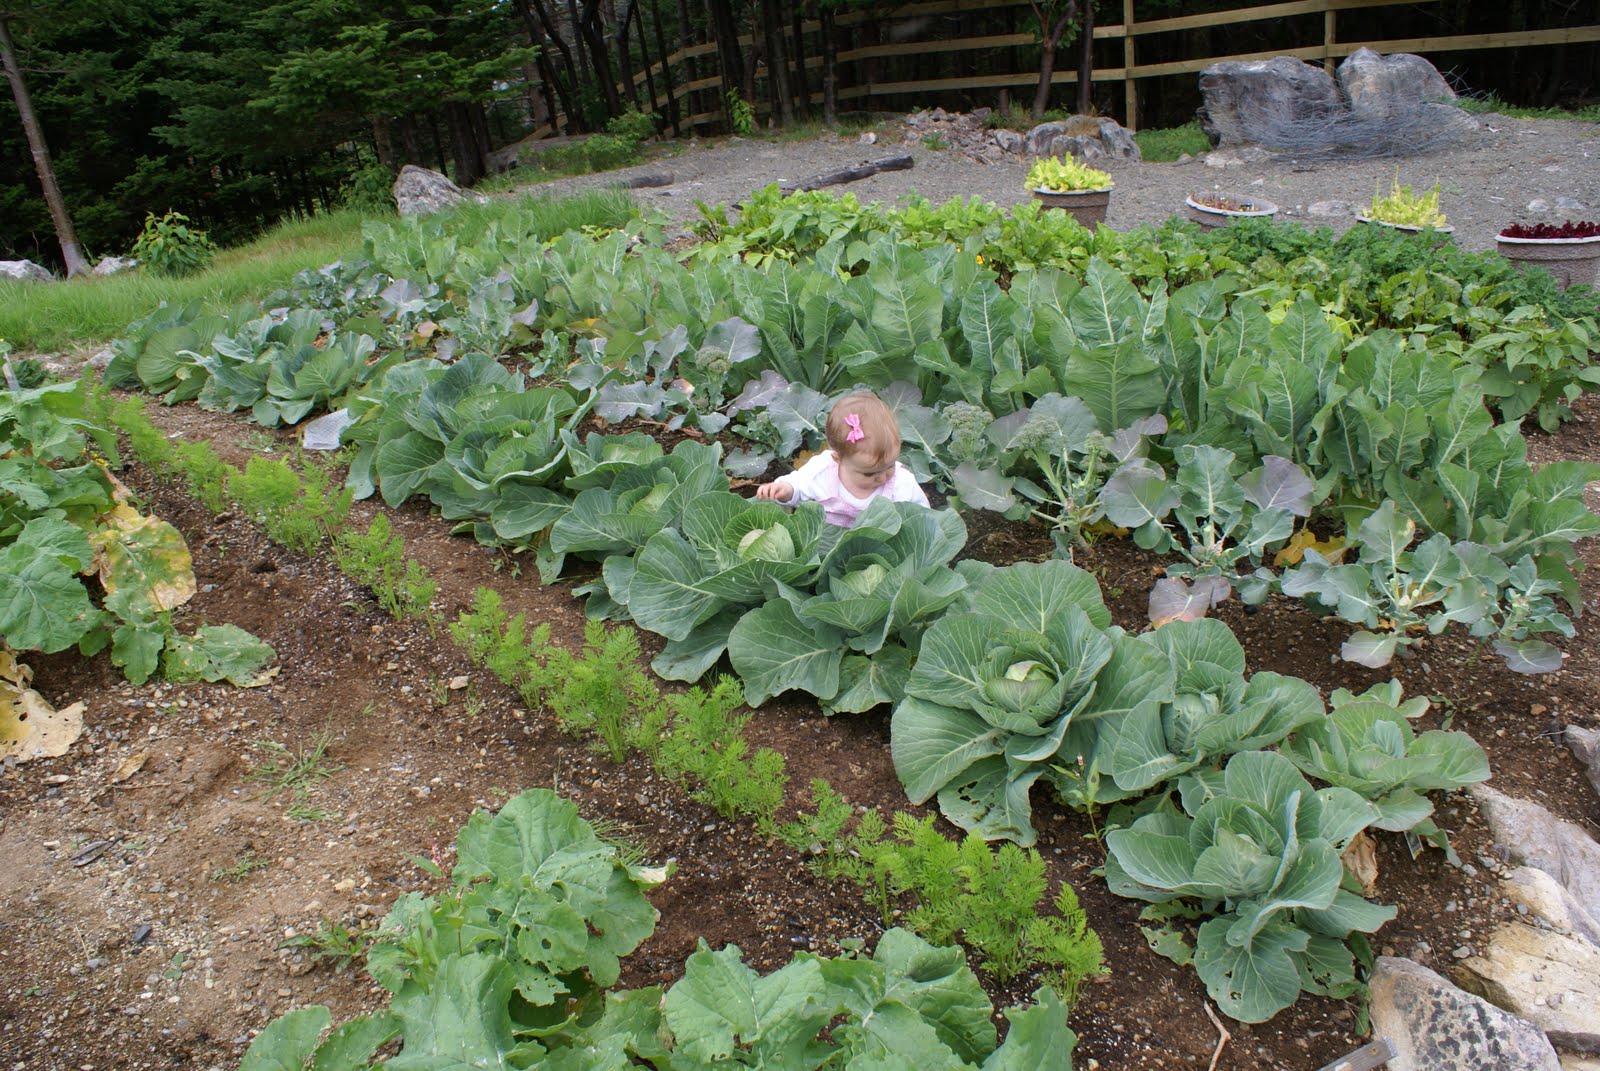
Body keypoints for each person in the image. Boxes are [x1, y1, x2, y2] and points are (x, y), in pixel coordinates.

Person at [755, 391, 929, 527]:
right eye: (869, 474)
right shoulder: (822, 472)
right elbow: (799, 486)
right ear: (838, 458)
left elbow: (922, 517)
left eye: (890, 466)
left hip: (882, 548)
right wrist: (785, 491)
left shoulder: (902, 484)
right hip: (825, 547)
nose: (883, 477)